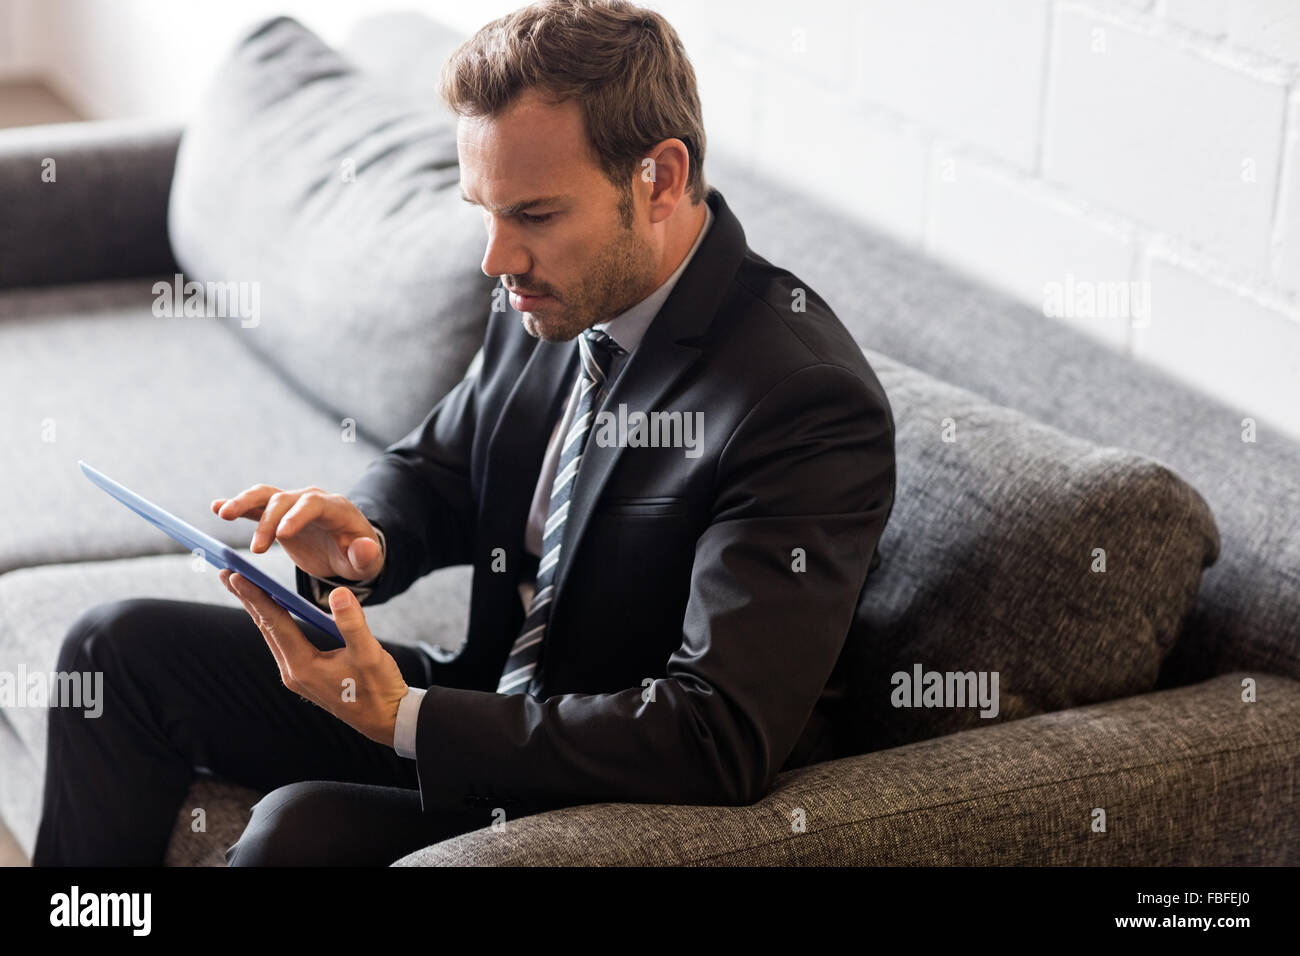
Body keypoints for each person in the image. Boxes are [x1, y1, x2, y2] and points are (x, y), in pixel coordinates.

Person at [33, 0, 896, 867]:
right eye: (483, 209)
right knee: (113, 653)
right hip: (485, 696)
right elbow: (443, 468)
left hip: (598, 782)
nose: (496, 258)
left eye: (534, 214)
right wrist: (366, 537)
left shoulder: (802, 403)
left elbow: (718, 733)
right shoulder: (561, 298)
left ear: (660, 180)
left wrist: (406, 718)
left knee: (296, 836)